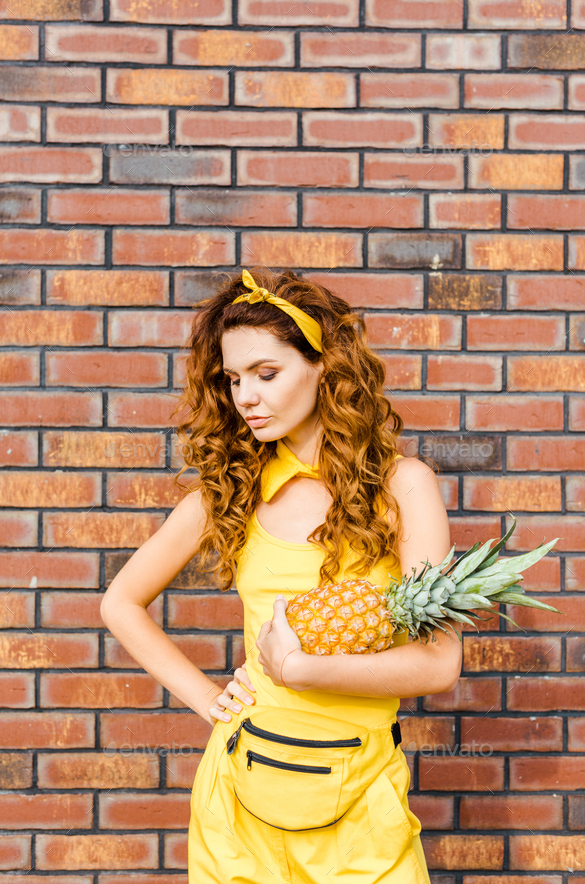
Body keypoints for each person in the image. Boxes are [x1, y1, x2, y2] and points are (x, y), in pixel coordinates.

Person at [100, 266, 463, 884]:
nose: (245, 396)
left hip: (361, 804)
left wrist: (301, 669)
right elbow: (120, 603)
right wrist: (211, 702)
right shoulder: (227, 498)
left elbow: (438, 664)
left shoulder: (403, 488)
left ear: (326, 367)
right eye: (234, 379)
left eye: (267, 375)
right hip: (240, 801)